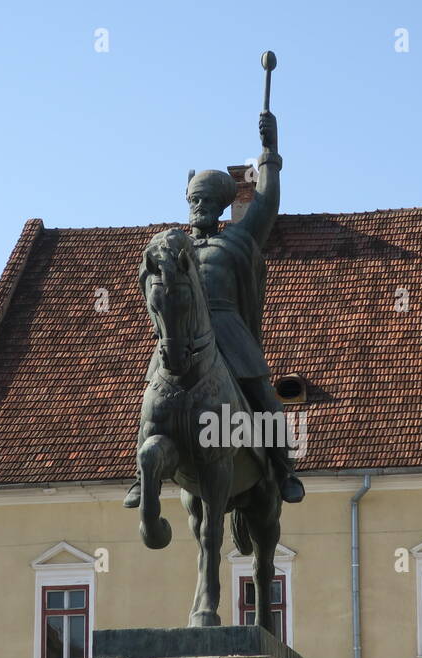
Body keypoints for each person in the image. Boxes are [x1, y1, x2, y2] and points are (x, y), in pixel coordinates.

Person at [125, 110, 304, 508]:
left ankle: (284, 469)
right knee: (150, 396)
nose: (199, 207)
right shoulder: (172, 247)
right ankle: (141, 477)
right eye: (194, 200)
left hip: (228, 327)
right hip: (180, 329)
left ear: (223, 206)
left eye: (207, 201)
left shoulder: (237, 240)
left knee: (263, 395)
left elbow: (266, 201)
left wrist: (269, 153)